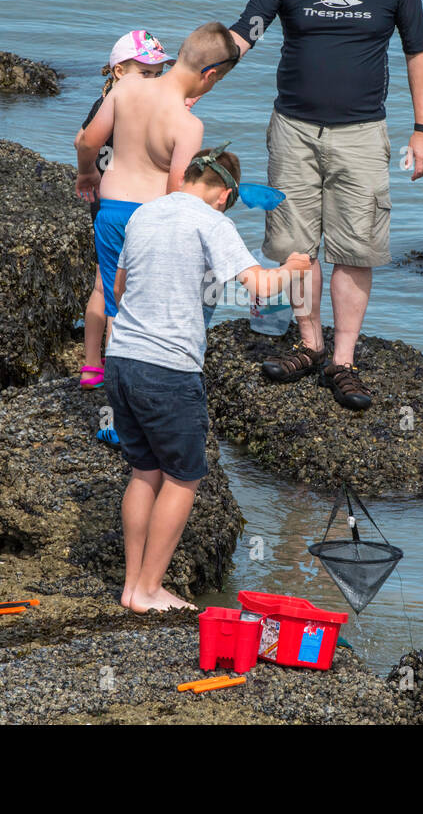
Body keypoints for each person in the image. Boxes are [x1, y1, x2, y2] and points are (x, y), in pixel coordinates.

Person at [226, 0, 423, 409]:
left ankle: (343, 362)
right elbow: (246, 31)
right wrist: (190, 82)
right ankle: (309, 345)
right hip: (293, 129)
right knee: (297, 246)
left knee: (355, 248)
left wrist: (422, 129)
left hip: (363, 134)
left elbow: (418, 50)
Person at [104, 145, 311, 611]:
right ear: (223, 196)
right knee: (182, 476)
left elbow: (118, 288)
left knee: (143, 472)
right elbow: (258, 286)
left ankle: (131, 586)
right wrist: (292, 269)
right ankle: (150, 590)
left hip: (120, 360)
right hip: (168, 367)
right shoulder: (213, 222)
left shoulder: (144, 214)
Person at [72, 30, 173, 392]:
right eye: (145, 73)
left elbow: (82, 139)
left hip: (113, 197)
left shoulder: (114, 99)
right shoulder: (116, 100)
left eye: (158, 74)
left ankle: (92, 366)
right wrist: (89, 174)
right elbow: (83, 140)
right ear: (118, 71)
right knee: (114, 285)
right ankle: (109, 367)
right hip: (116, 200)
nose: (153, 81)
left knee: (107, 282)